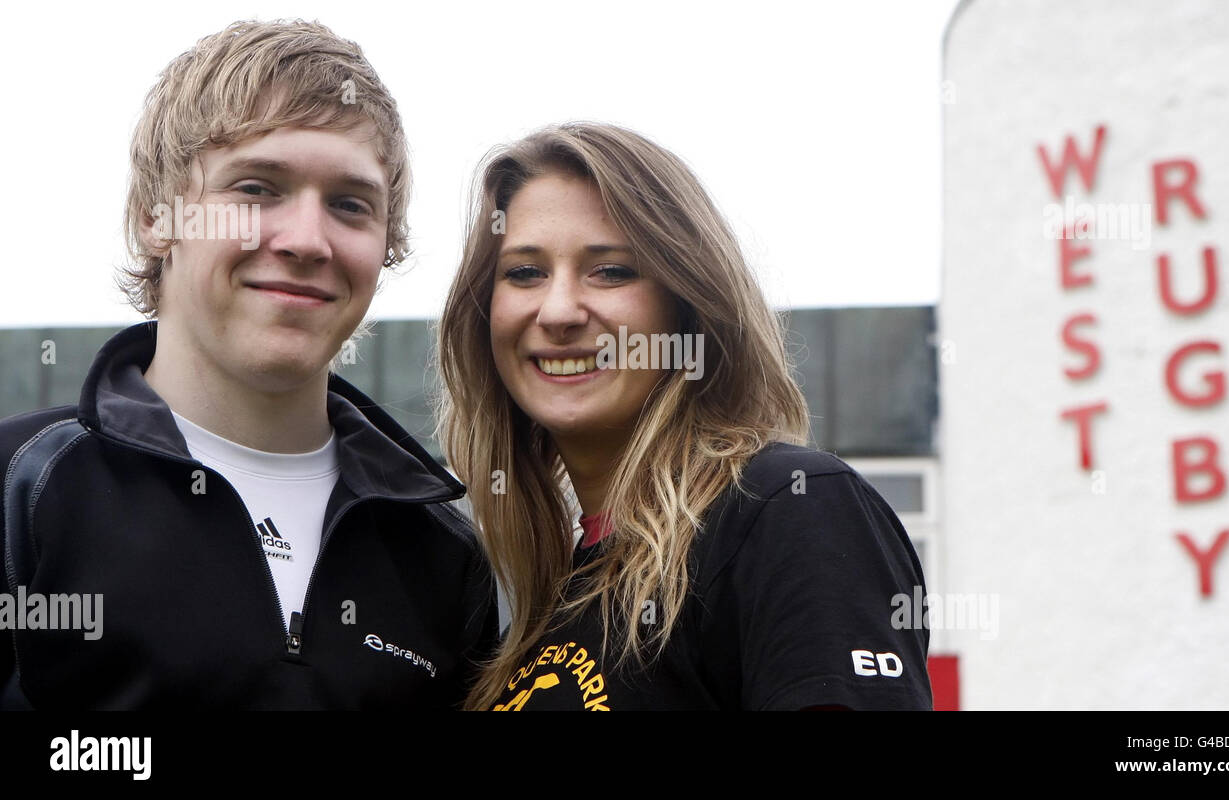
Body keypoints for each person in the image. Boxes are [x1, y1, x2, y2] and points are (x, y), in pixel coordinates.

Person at [0, 20, 495, 709]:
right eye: (258, 189)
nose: (305, 240)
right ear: (156, 215)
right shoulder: (21, 486)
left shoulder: (440, 550)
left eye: (350, 205)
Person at [437, 122, 932, 710]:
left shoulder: (787, 509)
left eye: (611, 270)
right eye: (524, 272)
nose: (560, 310)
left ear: (688, 305)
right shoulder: (548, 599)